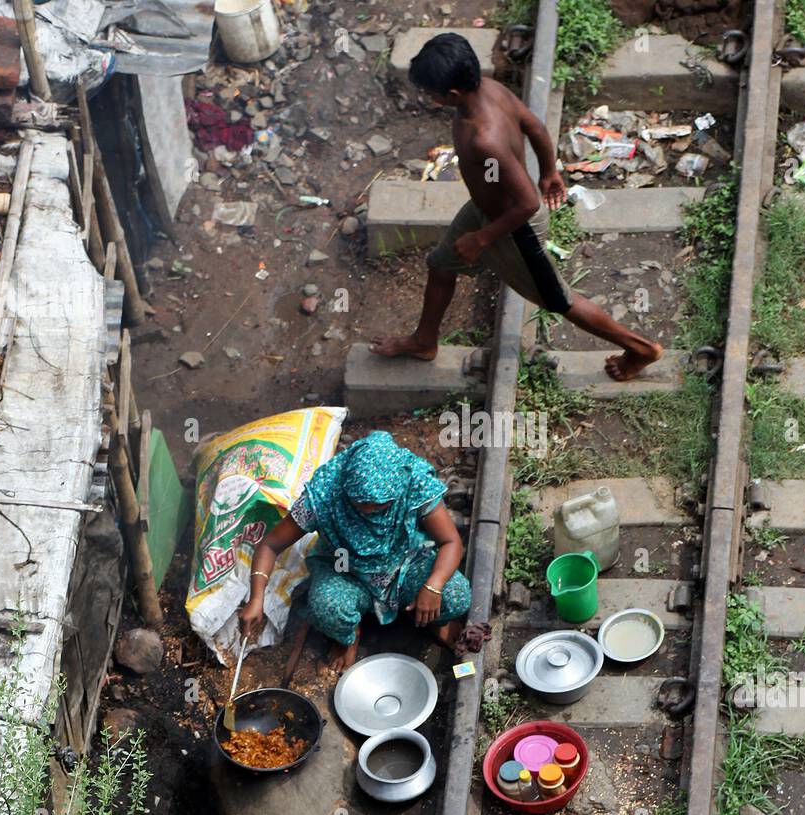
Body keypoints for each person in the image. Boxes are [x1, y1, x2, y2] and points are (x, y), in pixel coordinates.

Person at [369, 32, 663, 382]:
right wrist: (550, 171)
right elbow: (534, 126)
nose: (426, 97)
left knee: (559, 299)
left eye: (429, 93)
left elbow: (526, 203)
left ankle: (640, 349)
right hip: (485, 211)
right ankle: (423, 341)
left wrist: (481, 239)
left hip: (513, 228)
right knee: (441, 265)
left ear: (451, 95)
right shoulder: (490, 89)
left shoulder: (483, 137)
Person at [237, 431, 471, 672]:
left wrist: (433, 585)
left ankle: (430, 620)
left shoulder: (414, 483)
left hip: (404, 566)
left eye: (380, 505)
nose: (369, 511)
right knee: (326, 607)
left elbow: (451, 542)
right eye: (359, 503)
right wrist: (256, 600)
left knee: (455, 596)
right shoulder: (324, 495)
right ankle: (349, 635)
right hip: (345, 570)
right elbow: (270, 545)